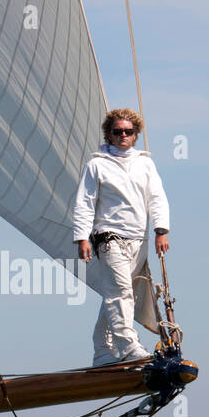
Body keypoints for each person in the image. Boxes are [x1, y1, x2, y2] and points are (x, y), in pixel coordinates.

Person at [73, 109, 170, 366]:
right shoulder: (97, 164)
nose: (123, 136)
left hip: (139, 239)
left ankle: (102, 350)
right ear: (109, 134)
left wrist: (161, 230)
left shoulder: (145, 163)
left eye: (128, 131)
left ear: (136, 134)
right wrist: (82, 237)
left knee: (119, 294)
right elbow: (85, 202)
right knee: (121, 293)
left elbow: (157, 198)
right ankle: (128, 346)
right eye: (118, 132)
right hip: (108, 237)